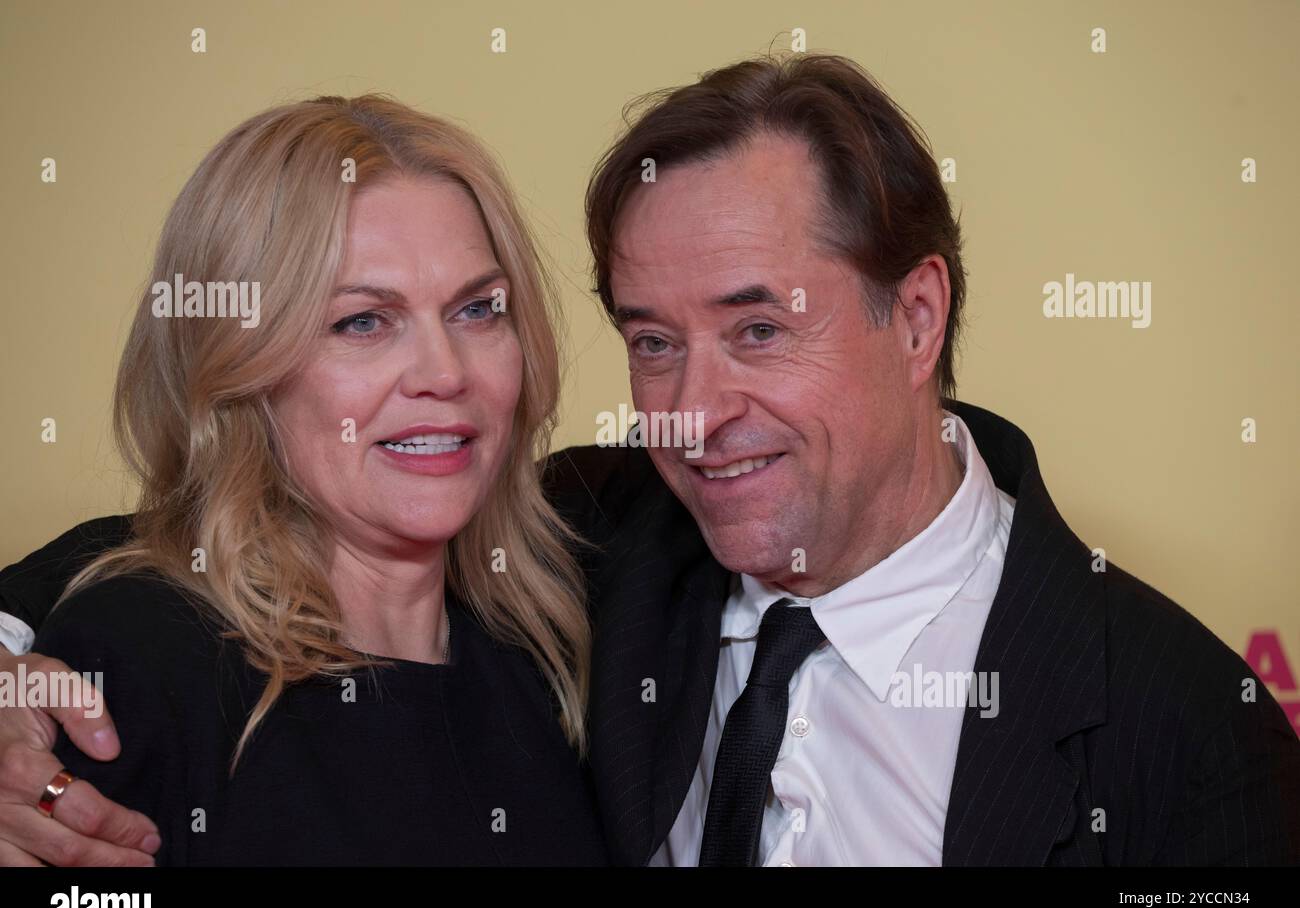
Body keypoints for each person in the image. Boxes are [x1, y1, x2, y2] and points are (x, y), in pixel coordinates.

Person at [4, 54, 1299, 867]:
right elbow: (191, 557)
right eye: (653, 341)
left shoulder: (1187, 730)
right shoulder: (594, 541)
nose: (700, 407)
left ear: (916, 316)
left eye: (757, 327)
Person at [0, 94, 607, 865]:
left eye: (477, 311)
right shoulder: (137, 663)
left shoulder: (552, 641)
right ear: (238, 370)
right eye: (362, 321)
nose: (445, 373)